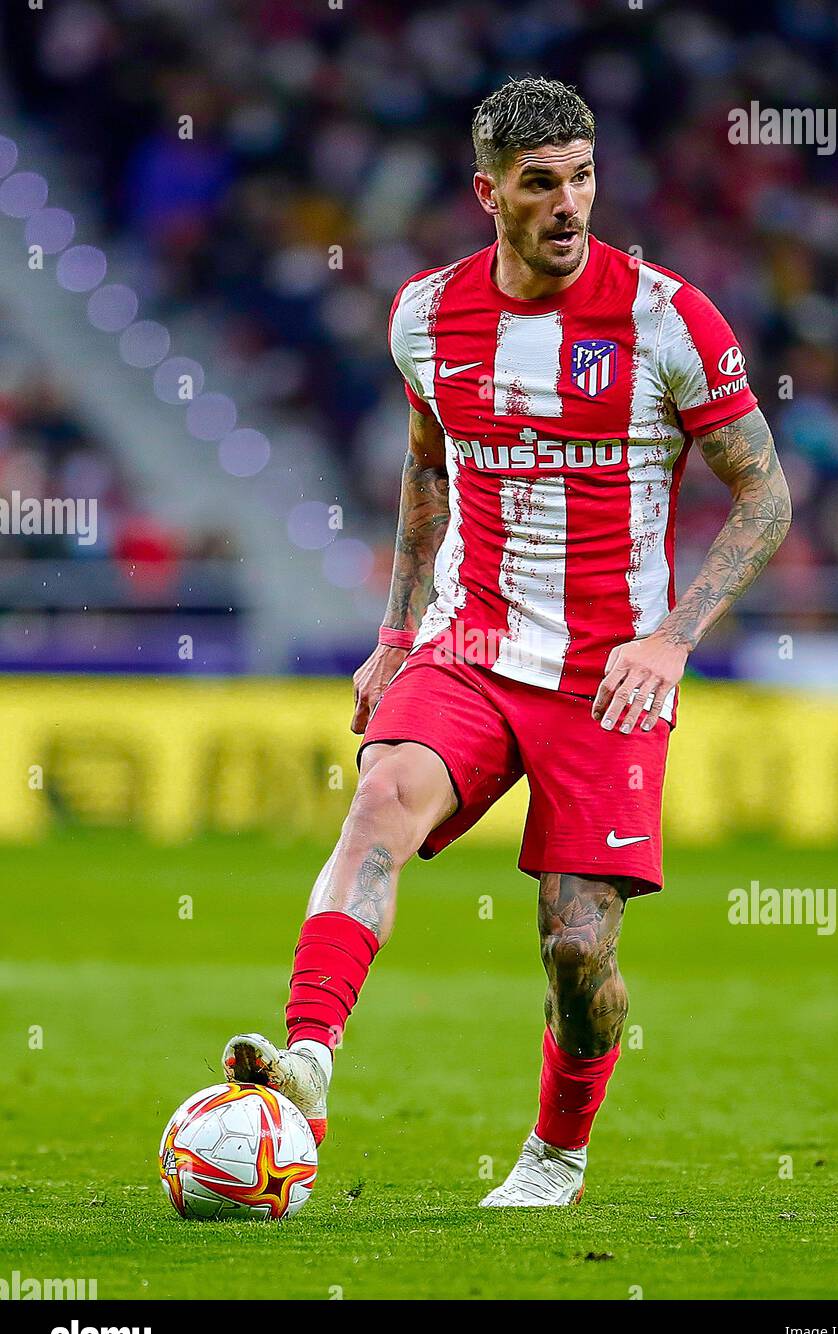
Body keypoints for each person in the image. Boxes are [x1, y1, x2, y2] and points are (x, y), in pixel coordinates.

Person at [223, 76, 791, 1207]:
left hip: (609, 676)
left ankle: (557, 1152)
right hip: (471, 642)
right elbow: (429, 466)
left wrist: (672, 641)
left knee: (579, 954)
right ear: (489, 193)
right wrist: (396, 633)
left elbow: (765, 497)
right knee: (381, 796)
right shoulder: (427, 318)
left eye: (584, 176)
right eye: (541, 183)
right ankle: (309, 1063)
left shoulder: (666, 321)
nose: (570, 203)